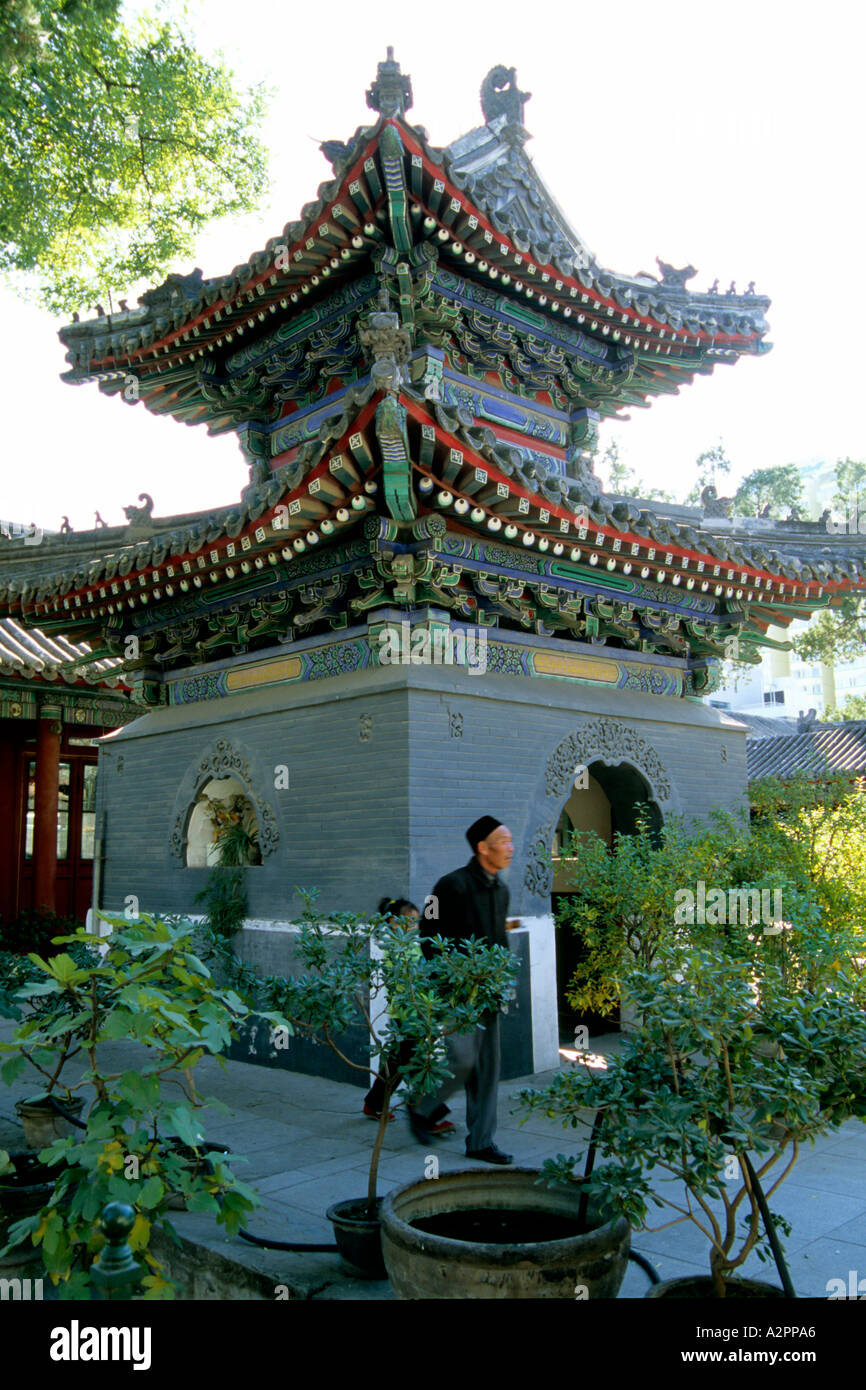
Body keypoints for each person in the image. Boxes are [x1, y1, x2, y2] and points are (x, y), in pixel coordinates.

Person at [409, 816, 515, 1165]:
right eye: (503, 841)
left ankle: (481, 1141)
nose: (510, 848)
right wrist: (447, 980)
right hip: (458, 994)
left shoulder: (501, 890)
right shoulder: (450, 885)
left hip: (490, 993)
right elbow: (428, 935)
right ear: (483, 847)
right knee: (464, 1060)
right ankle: (422, 1106)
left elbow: (500, 939)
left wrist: (502, 981)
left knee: (488, 1070)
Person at [362, 897, 455, 1135]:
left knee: (397, 1062)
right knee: (415, 1066)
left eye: (416, 922)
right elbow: (413, 982)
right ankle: (431, 1116)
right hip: (409, 1015)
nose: (414, 927)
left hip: (413, 1013)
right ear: (393, 922)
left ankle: (373, 1104)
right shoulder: (399, 947)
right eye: (409, 922)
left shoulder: (410, 944)